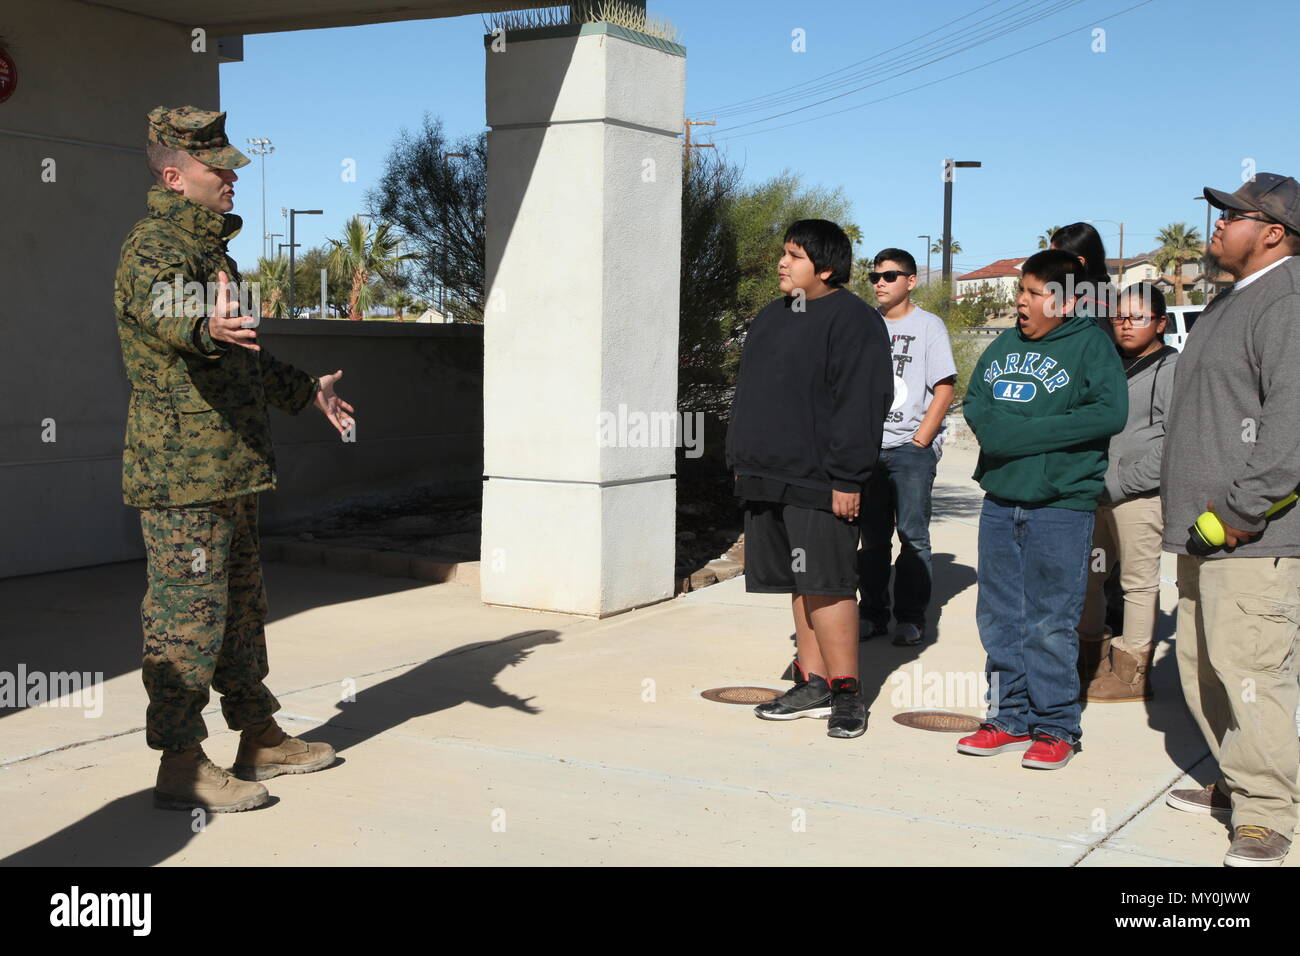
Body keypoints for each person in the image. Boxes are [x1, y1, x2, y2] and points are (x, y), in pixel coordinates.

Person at [115, 106, 352, 812]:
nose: (231, 178)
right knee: (186, 620)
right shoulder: (154, 248)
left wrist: (306, 391)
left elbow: (241, 360)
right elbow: (170, 312)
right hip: (182, 478)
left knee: (242, 612)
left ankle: (260, 736)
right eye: (216, 168)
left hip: (230, 469)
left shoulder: (212, 253)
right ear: (173, 175)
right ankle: (182, 762)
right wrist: (202, 323)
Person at [1161, 172, 1300, 867]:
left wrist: (1242, 512)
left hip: (1252, 536)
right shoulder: (1229, 302)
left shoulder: (1288, 300)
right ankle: (1238, 782)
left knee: (1253, 672)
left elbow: (1291, 429)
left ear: (1272, 232)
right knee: (1204, 669)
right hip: (1202, 534)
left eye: (1233, 215)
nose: (1218, 225)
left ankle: (1268, 814)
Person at [956, 249, 1127, 769]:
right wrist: (1008, 435)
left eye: (1032, 292)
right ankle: (1008, 717)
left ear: (1065, 298)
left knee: (1050, 620)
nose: (1021, 302)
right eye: (1021, 292)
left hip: (1060, 507)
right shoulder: (1004, 344)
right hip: (1000, 503)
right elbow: (977, 406)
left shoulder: (1091, 346)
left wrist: (1022, 435)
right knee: (999, 615)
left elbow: (1109, 413)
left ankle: (1056, 727)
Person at [726, 220, 893, 739]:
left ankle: (847, 692)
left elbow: (862, 404)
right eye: (784, 253)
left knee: (830, 583)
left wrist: (848, 477)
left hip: (823, 478)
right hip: (767, 474)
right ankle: (812, 680)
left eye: (794, 256)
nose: (782, 263)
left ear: (825, 268)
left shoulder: (855, 321)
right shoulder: (771, 317)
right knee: (799, 582)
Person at [1077, 283, 1177, 702]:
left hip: (1138, 498)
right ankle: (1089, 658)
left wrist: (1120, 482)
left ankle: (1132, 675)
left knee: (1137, 584)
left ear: (1160, 322)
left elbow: (1175, 443)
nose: (1127, 324)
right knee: (1090, 577)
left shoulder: (1173, 369)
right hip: (1094, 493)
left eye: (1138, 317)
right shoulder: (1107, 362)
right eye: (1120, 316)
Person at [857, 248, 957, 645]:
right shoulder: (864, 324)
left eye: (890, 275)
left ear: (911, 281)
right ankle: (873, 613)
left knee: (913, 536)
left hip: (910, 450)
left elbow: (945, 387)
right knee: (873, 538)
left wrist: (922, 439)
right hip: (868, 449)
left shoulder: (928, 326)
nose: (880, 282)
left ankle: (911, 618)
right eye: (875, 276)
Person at [1051, 222, 1117, 332]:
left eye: (1053, 258)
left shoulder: (1094, 303)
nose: (1047, 263)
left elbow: (1099, 345)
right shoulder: (1071, 296)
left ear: (1079, 262)